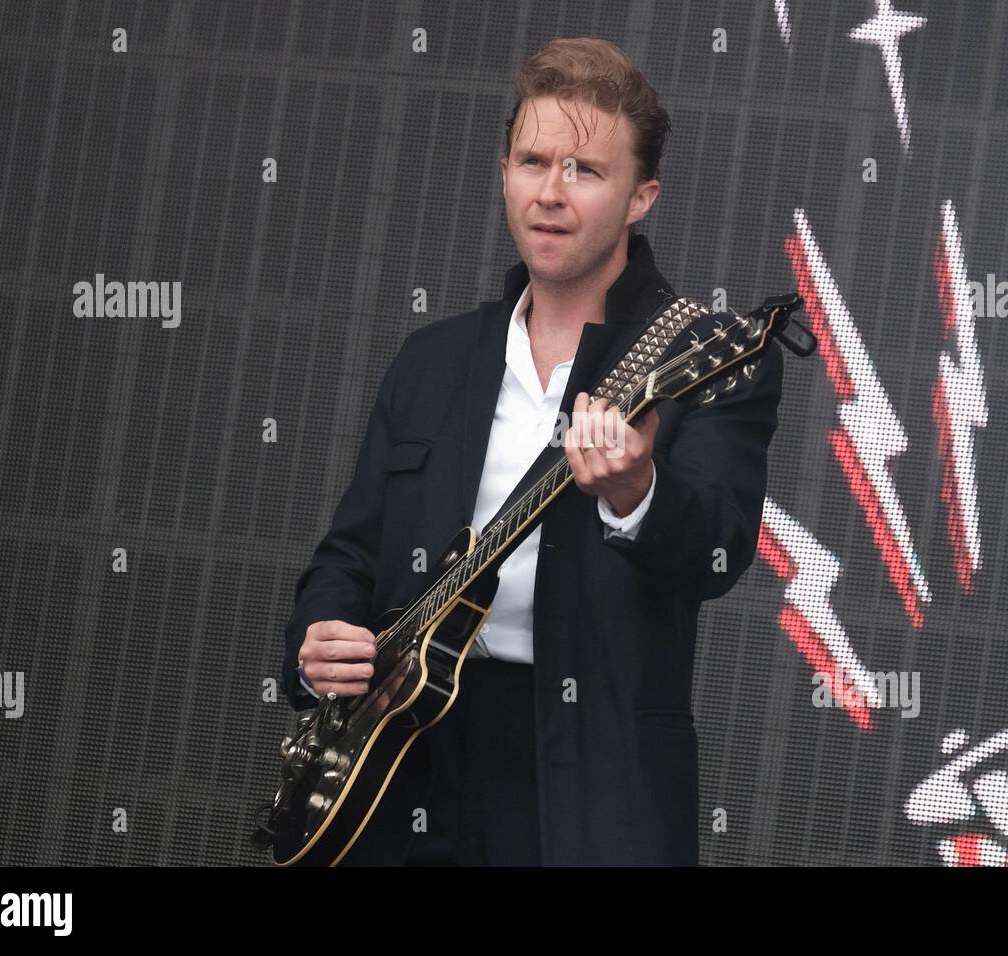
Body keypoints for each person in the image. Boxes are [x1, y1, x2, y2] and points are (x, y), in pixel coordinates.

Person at [281, 36, 783, 866]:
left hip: (592, 775)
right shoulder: (432, 360)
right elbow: (348, 555)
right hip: (400, 760)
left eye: (585, 170)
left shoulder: (705, 355)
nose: (550, 193)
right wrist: (318, 637)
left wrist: (637, 489)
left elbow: (721, 553)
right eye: (532, 161)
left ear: (640, 197)